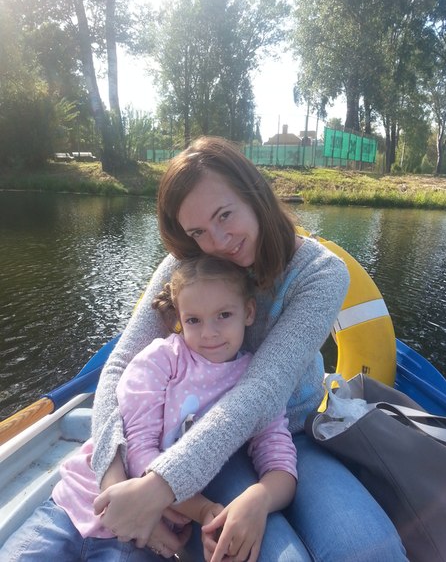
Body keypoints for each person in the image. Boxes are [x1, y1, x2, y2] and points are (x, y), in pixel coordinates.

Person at [92, 136, 408, 561]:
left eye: (224, 215)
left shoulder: (320, 274)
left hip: (292, 435)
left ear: (254, 193)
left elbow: (262, 390)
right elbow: (120, 365)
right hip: (195, 440)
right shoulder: (186, 268)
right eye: (198, 231)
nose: (218, 241)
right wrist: (115, 481)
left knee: (370, 549)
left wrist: (158, 488)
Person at [0, 255, 297, 562]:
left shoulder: (257, 383)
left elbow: (281, 462)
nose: (209, 332)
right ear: (180, 318)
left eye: (223, 315)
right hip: (77, 503)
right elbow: (137, 450)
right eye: (194, 320)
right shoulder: (161, 359)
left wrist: (259, 497)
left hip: (145, 535)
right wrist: (202, 510)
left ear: (249, 312)